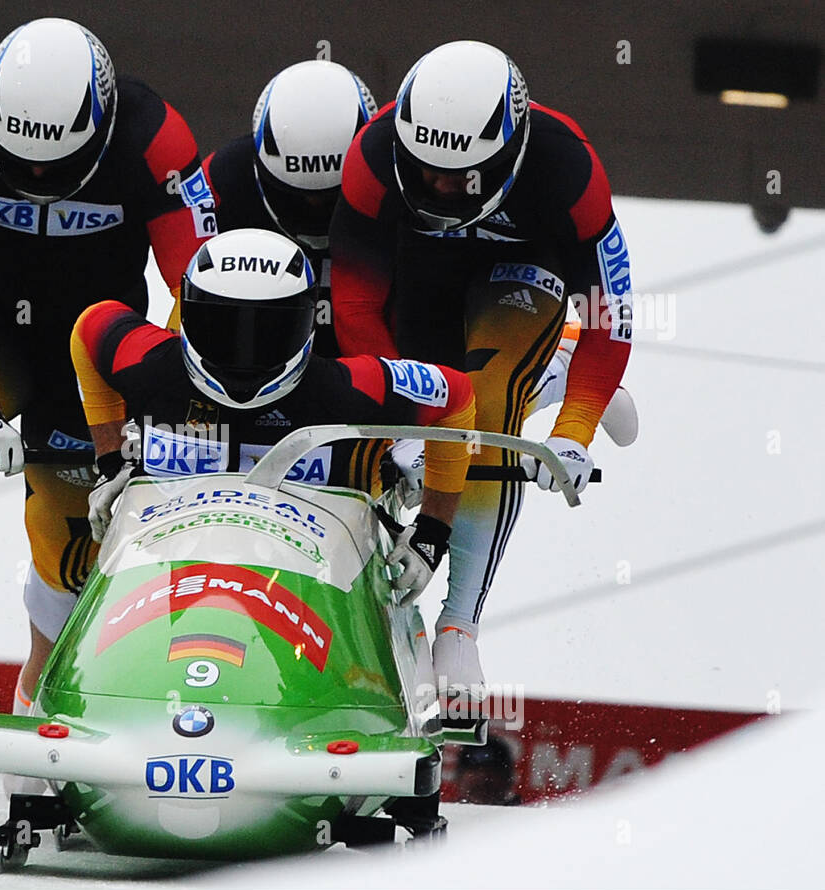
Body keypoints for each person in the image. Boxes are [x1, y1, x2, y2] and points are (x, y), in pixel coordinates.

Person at [0, 17, 213, 718]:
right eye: (22, 162)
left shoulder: (157, 139)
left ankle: (45, 697)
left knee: (71, 546)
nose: (39, 177)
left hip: (95, 350)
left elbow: (198, 288)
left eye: (56, 165)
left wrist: (170, 398)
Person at [330, 40, 635, 704]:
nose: (441, 185)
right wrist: (397, 430)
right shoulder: (372, 159)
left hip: (527, 274)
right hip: (423, 287)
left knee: (487, 399)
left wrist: (575, 433)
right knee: (422, 412)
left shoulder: (570, 173)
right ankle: (549, 374)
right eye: (426, 170)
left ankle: (460, 624)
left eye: (459, 176)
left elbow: (613, 320)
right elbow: (355, 303)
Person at [72, 227, 478, 620]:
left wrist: (430, 534)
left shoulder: (348, 391)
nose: (243, 351)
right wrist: (113, 464)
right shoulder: (152, 367)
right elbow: (90, 327)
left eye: (268, 330)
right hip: (166, 573)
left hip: (311, 585)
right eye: (221, 328)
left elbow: (455, 397)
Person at [203, 59, 378, 356]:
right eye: (299, 198)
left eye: (331, 199)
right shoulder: (223, 183)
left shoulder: (391, 175)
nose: (315, 208)